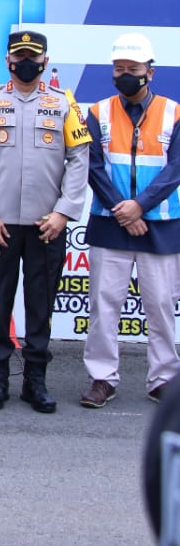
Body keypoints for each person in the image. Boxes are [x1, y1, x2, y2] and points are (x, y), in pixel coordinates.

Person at [0, 30, 90, 413]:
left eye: (33, 57)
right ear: (8, 61)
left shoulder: (64, 104)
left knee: (40, 306)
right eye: (19, 56)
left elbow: (79, 159)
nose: (25, 63)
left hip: (46, 225)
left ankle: (36, 380)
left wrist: (64, 212)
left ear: (45, 61)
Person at [80, 33, 180, 407]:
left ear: (149, 72)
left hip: (161, 225)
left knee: (161, 306)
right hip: (111, 222)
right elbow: (92, 166)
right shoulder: (98, 112)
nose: (124, 74)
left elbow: (175, 169)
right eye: (118, 68)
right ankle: (102, 378)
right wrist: (123, 209)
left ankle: (163, 380)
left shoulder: (174, 112)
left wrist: (140, 206)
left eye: (132, 68)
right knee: (103, 305)